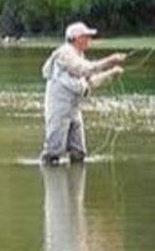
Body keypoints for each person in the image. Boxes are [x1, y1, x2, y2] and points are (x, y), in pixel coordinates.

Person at [40, 22, 126, 165]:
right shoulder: (65, 53)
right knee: (53, 152)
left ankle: (74, 183)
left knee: (78, 153)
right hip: (58, 107)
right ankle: (52, 180)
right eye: (85, 36)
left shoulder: (79, 55)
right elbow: (85, 69)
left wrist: (111, 73)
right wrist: (110, 60)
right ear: (75, 38)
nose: (88, 40)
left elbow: (90, 82)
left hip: (73, 107)